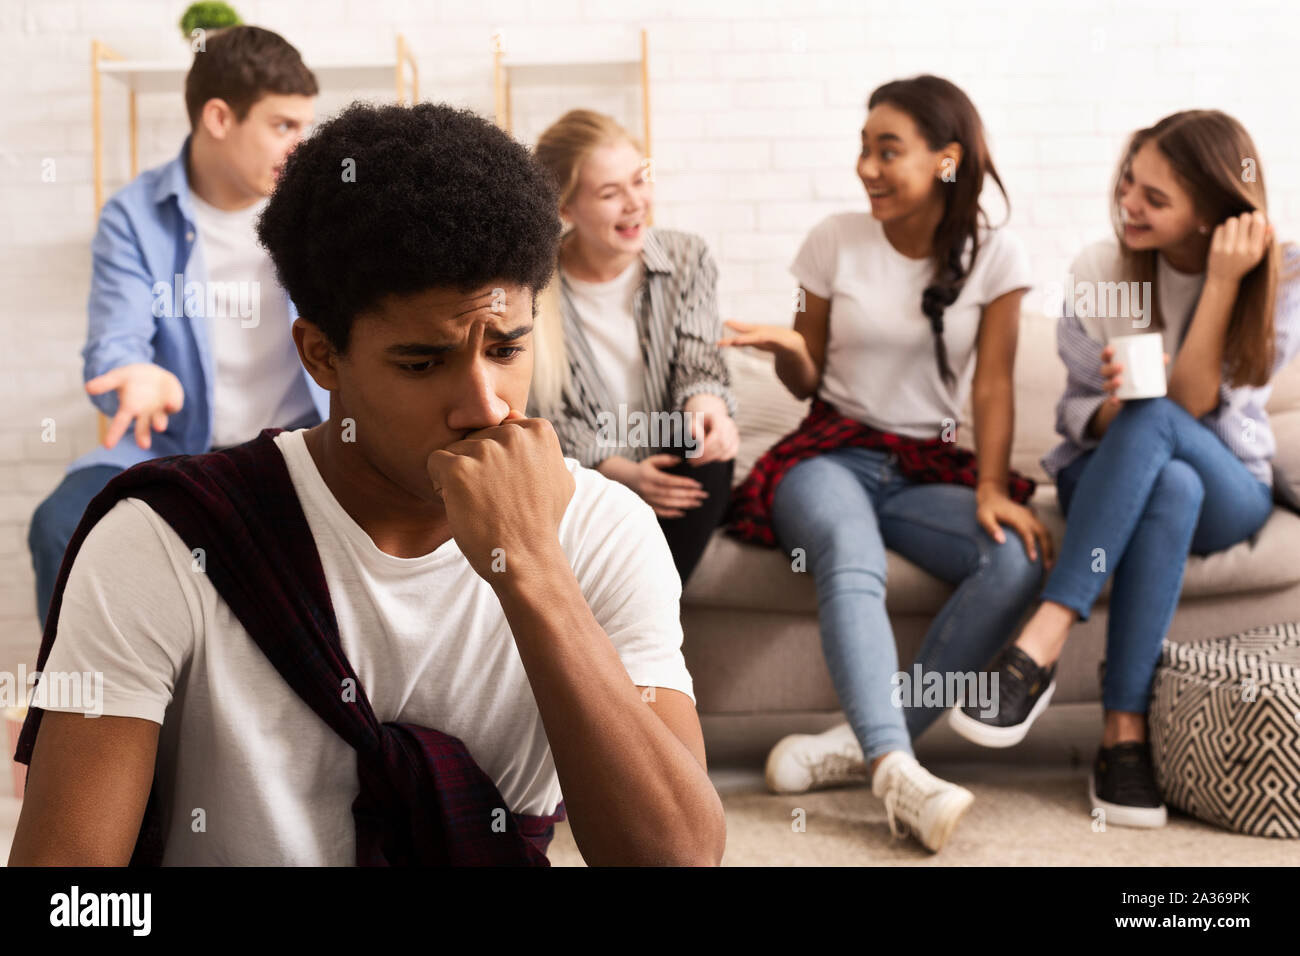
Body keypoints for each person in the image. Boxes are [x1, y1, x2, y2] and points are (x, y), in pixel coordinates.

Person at [9, 102, 725, 867]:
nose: (484, 405)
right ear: (321, 357)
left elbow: (678, 859)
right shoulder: (162, 542)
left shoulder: (604, 531)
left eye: (508, 347)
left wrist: (534, 570)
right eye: (423, 363)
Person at [720, 76, 1047, 852]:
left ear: (944, 160)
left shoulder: (996, 256)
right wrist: (792, 350)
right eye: (863, 148)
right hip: (831, 453)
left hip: (926, 468)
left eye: (887, 150)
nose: (866, 166)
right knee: (850, 551)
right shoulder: (834, 240)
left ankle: (863, 744)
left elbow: (994, 384)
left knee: (1013, 560)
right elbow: (808, 380)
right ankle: (897, 767)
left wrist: (994, 488)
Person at [950, 110, 1300, 828]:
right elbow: (1084, 418)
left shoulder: (1277, 279)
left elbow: (1198, 403)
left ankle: (1042, 640)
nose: (1128, 207)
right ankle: (1123, 736)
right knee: (1165, 471)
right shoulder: (1098, 273)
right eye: (1128, 184)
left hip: (1231, 492)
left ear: (1211, 215)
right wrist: (1117, 404)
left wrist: (1226, 284)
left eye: (1156, 199)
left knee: (1163, 418)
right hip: (1107, 477)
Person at [26, 25, 326, 630]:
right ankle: (82, 715)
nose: (300, 144)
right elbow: (116, 339)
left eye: (305, 127)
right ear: (219, 117)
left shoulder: (319, 208)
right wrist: (134, 374)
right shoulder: (134, 216)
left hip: (293, 449)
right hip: (172, 447)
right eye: (282, 126)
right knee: (59, 523)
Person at [529, 109, 739, 585]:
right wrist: (620, 471)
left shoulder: (687, 257)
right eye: (609, 193)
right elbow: (543, 413)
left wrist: (707, 406)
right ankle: (642, 642)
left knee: (712, 452)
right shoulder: (535, 286)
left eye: (639, 180)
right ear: (566, 209)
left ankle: (637, 635)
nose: (635, 203)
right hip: (590, 475)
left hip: (672, 457)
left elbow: (698, 357)